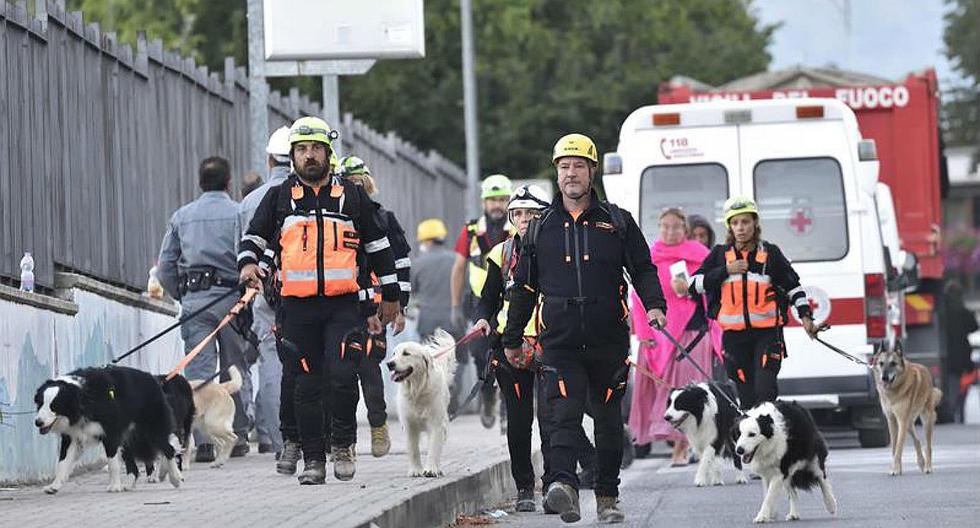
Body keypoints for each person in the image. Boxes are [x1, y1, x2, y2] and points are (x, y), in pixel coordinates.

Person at [502, 133, 667, 524]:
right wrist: (511, 338)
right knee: (563, 414)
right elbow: (524, 288)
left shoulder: (617, 221)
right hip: (558, 341)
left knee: (609, 422)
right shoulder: (539, 227)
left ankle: (608, 495)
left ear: (592, 171)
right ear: (556, 174)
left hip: (608, 340)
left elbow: (643, 268)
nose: (570, 173)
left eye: (578, 166)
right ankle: (563, 487)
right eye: (563, 167)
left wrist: (656, 305)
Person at [238, 117, 400, 484]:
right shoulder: (279, 197)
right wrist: (248, 265)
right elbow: (255, 238)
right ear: (292, 156)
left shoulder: (352, 196)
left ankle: (342, 445)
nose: (308, 156)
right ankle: (313, 460)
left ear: (328, 153)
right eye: (301, 150)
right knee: (305, 383)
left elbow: (379, 247)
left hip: (344, 306)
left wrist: (389, 298)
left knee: (342, 376)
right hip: (296, 307)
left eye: (315, 149)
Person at [158, 156, 254, 462]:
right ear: (228, 183)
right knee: (235, 365)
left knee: (198, 373)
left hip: (195, 300)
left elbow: (165, 268)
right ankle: (236, 435)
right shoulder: (239, 213)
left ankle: (202, 442)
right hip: (231, 300)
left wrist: (183, 296)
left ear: (200, 183)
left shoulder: (181, 216)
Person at [688, 196, 818, 410]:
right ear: (729, 226)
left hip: (767, 334)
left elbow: (794, 287)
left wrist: (806, 318)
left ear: (755, 223)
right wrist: (725, 271)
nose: (741, 228)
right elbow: (693, 285)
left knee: (765, 390)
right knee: (746, 397)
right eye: (735, 222)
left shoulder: (771, 253)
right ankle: (751, 438)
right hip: (733, 337)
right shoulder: (719, 255)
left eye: (746, 221)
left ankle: (772, 434)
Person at [628, 207, 723, 466]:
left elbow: (714, 289)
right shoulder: (649, 257)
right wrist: (644, 332)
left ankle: (684, 447)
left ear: (685, 230)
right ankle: (679, 442)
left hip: (694, 333)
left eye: (676, 227)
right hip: (661, 334)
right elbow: (637, 297)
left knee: (692, 391)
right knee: (666, 392)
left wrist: (692, 289)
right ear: (659, 228)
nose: (670, 232)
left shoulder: (700, 255)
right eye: (665, 227)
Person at [340, 154, 411, 457]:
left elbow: (401, 263)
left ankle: (378, 426)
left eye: (360, 182)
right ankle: (344, 439)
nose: (356, 187)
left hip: (378, 308)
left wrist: (399, 305)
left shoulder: (383, 219)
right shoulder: (333, 220)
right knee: (340, 373)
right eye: (349, 182)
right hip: (343, 305)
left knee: (369, 370)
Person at [238, 126, 291, 464]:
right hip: (308, 293)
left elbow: (242, 254)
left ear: (270, 159)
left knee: (270, 362)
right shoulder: (309, 193)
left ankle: (276, 440)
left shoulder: (249, 202)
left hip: (263, 293)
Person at [450, 174, 514, 426]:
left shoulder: (517, 228)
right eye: (492, 200)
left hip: (510, 301)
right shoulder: (471, 231)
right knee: (480, 353)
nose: (497, 205)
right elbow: (458, 268)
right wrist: (456, 305)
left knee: (511, 354)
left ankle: (508, 408)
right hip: (481, 304)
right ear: (484, 203)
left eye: (501, 199)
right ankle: (488, 397)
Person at [411, 219, 456, 339]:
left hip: (427, 324)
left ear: (427, 241)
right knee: (457, 358)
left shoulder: (418, 263)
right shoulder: (456, 261)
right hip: (454, 323)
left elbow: (412, 291)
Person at [944, 281, 978, 423]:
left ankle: (953, 411)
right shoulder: (964, 312)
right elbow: (974, 326)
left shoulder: (943, 312)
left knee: (953, 385)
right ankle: (959, 412)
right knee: (962, 386)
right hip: (963, 355)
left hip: (949, 354)